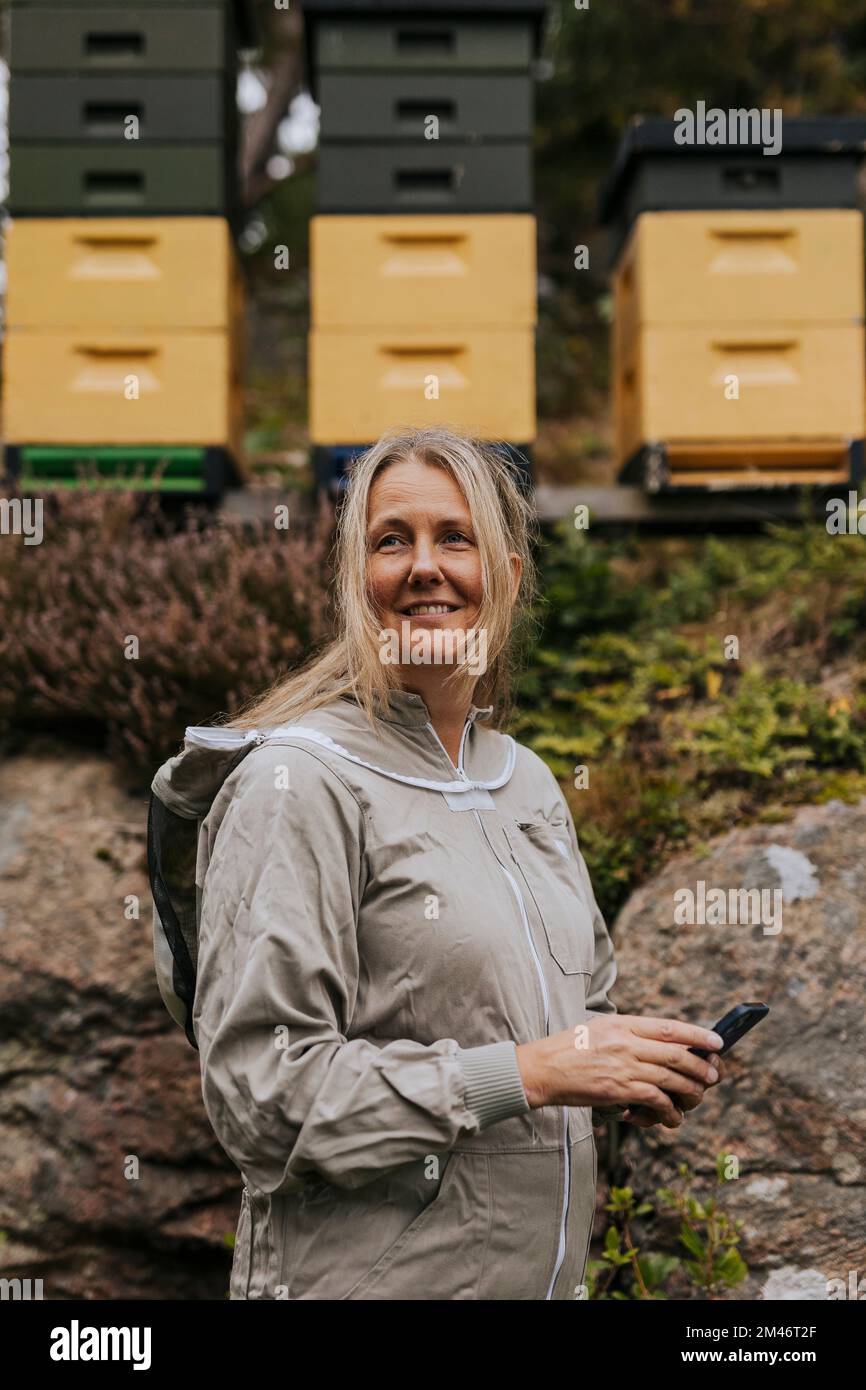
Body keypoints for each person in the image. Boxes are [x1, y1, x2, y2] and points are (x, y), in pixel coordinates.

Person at [189, 426, 725, 1300]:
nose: (424, 567)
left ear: (507, 578)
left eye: (456, 537)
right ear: (355, 584)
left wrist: (627, 1068)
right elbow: (263, 1096)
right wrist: (532, 1073)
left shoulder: (527, 782)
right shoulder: (299, 781)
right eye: (391, 540)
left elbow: (573, 1014)